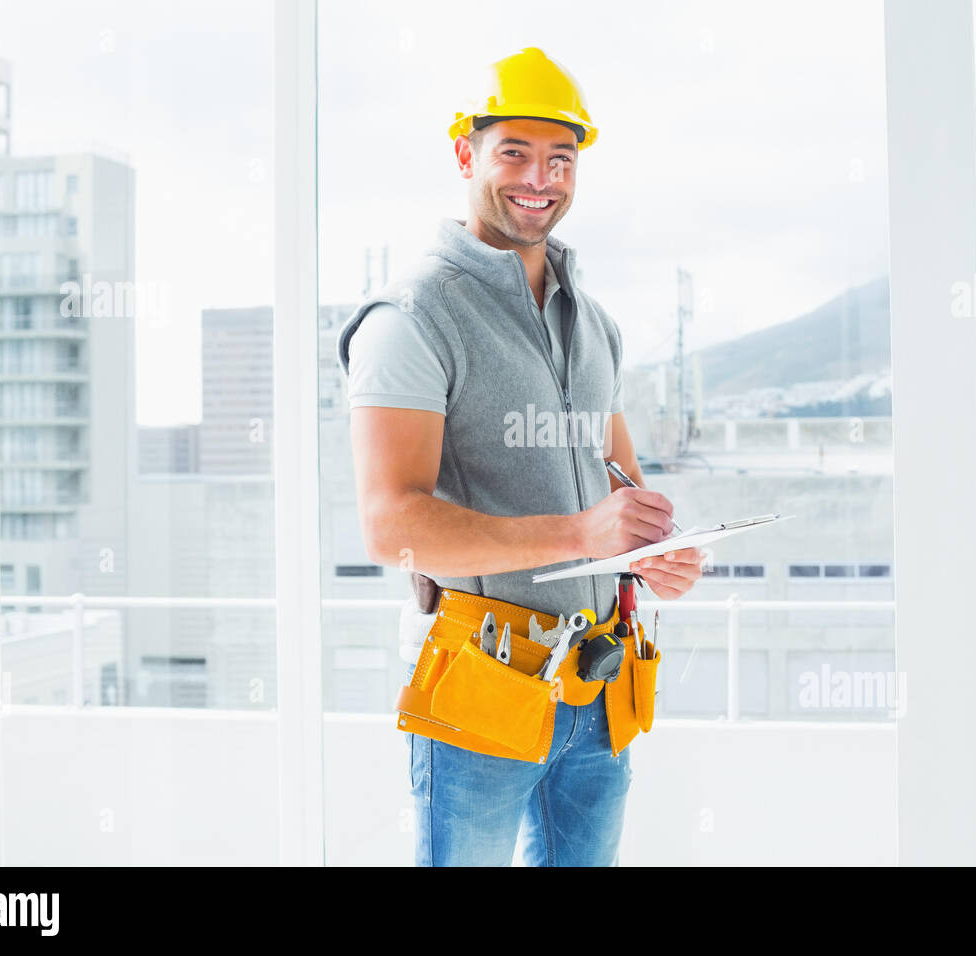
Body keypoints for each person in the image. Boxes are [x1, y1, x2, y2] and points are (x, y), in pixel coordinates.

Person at [337, 47, 704, 866]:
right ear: (465, 153)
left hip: (599, 685)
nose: (540, 177)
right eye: (514, 152)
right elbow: (389, 527)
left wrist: (655, 553)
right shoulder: (414, 316)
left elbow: (620, 487)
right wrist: (585, 536)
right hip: (481, 686)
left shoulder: (594, 323)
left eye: (560, 158)